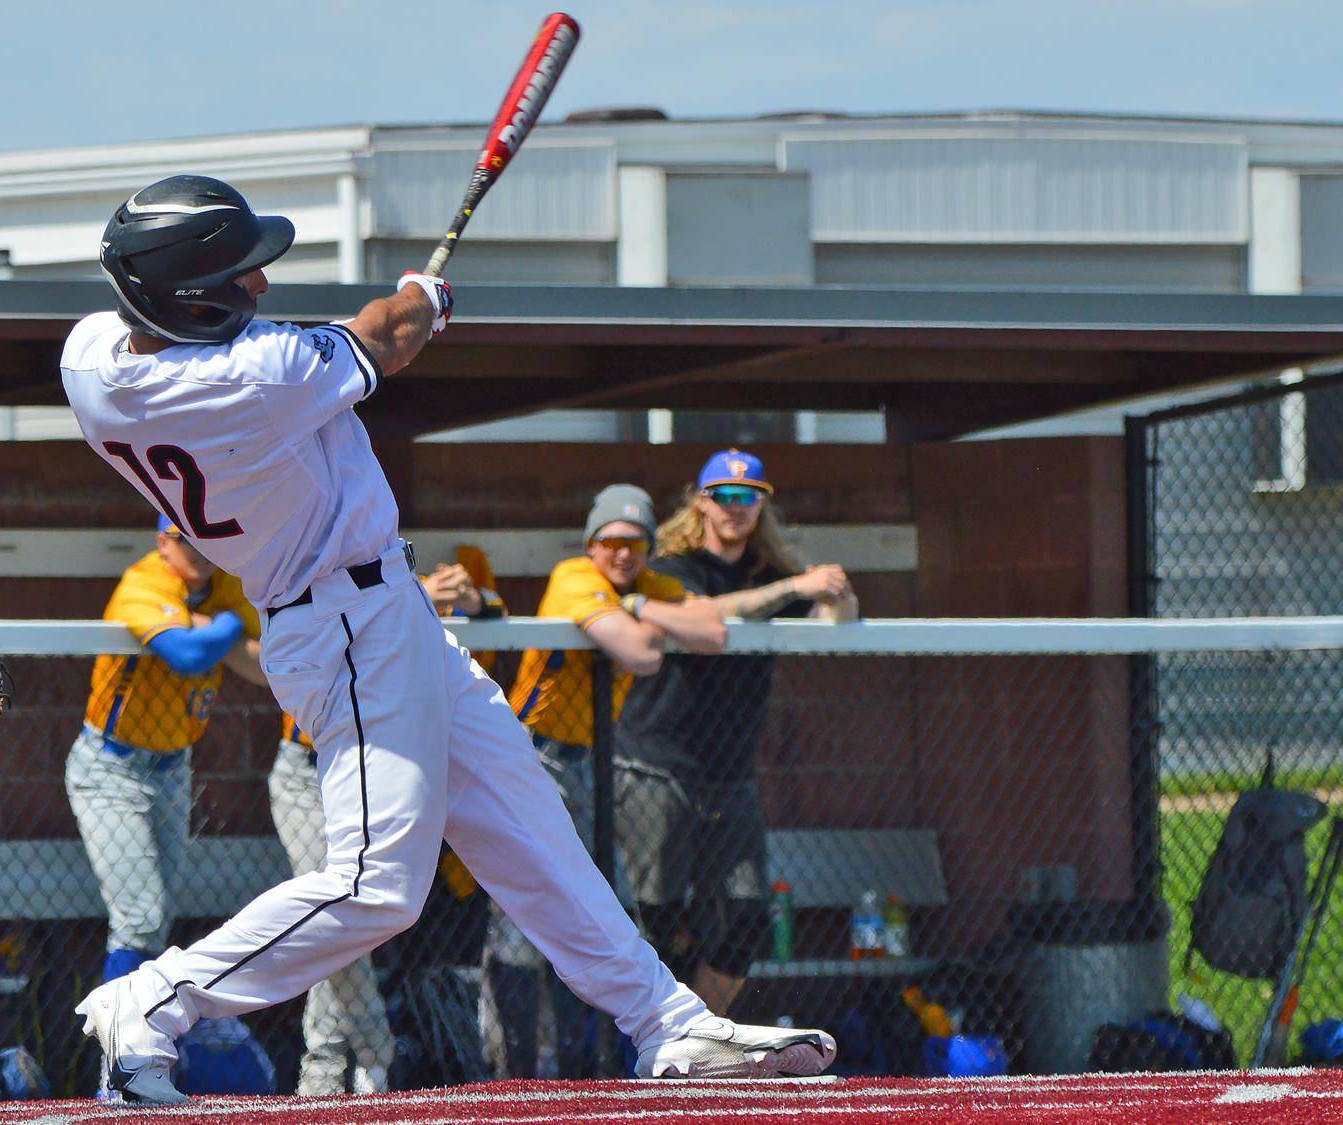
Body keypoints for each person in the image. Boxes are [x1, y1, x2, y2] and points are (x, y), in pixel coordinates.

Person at [60, 174, 835, 1106]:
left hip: (378, 615)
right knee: (377, 885)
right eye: (238, 275)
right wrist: (425, 296)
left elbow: (346, 344)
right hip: (345, 626)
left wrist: (402, 312)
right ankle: (153, 998)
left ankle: (665, 1020)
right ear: (187, 297)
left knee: (528, 821)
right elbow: (389, 334)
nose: (258, 285)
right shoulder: (254, 376)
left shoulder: (90, 360)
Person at [492, 484, 728, 1078]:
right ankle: (514, 1070)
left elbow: (713, 629)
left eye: (635, 544)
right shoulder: (573, 575)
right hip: (534, 758)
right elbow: (641, 654)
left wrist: (642, 605)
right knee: (526, 918)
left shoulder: (643, 587)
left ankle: (585, 1066)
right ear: (591, 544)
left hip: (593, 762)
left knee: (603, 912)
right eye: (611, 542)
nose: (622, 554)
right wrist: (646, 620)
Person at [614, 449, 859, 1017]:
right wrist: (795, 586)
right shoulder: (669, 569)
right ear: (701, 503)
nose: (735, 507)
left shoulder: (768, 575)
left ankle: (696, 1040)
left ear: (762, 505)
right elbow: (713, 617)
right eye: (723, 496)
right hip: (657, 764)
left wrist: (837, 593)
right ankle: (644, 1044)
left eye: (748, 497)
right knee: (656, 920)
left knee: (744, 919)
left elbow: (835, 625)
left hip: (730, 775)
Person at [274, 557, 503, 1096]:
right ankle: (362, 1056)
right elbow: (327, 618)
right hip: (308, 772)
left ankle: (334, 1064)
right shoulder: (311, 566)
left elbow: (496, 615)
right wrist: (414, 595)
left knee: (358, 915)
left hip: (379, 765)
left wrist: (467, 599)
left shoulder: (415, 585)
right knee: (331, 913)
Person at [67, 515, 265, 991]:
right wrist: (230, 624)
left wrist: (213, 630)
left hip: (175, 768)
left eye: (206, 537)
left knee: (156, 922)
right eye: (183, 537)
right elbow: (189, 655)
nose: (199, 547)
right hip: (112, 768)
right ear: (162, 542)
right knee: (140, 918)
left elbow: (269, 663)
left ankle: (142, 1024)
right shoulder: (143, 581)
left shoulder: (227, 583)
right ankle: (121, 1036)